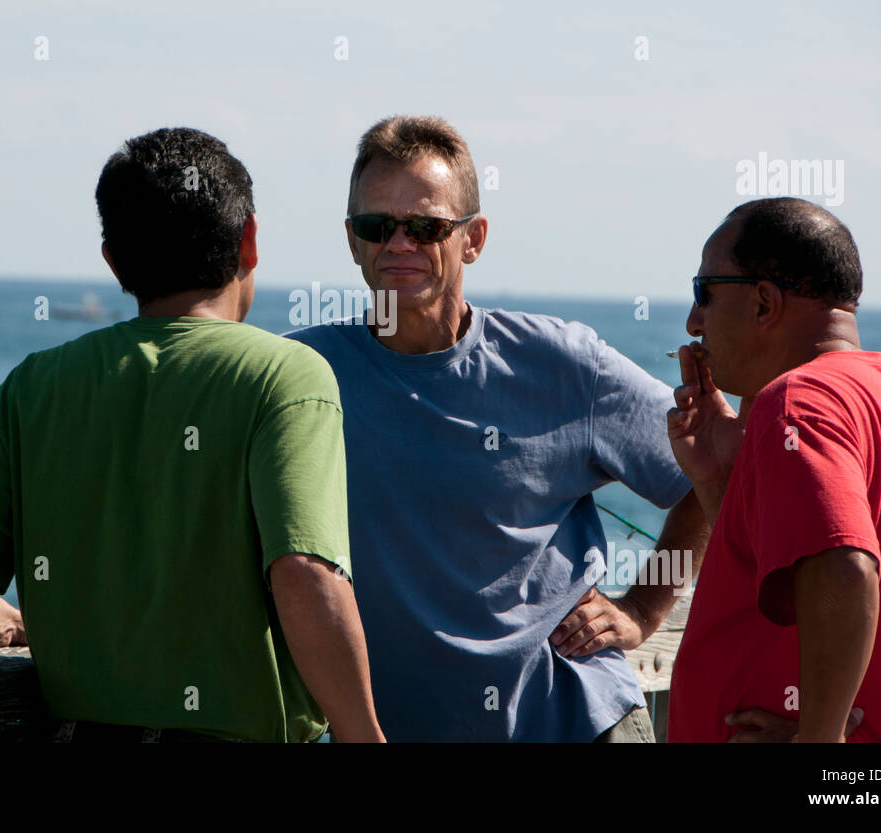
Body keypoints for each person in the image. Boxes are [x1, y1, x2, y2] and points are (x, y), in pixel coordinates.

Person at [0, 127, 384, 743]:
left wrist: (5, 624)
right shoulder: (285, 373)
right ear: (248, 239)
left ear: (114, 263)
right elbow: (307, 573)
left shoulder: (35, 387)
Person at [288, 115, 709, 742]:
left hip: (578, 722)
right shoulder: (300, 376)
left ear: (472, 238)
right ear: (352, 241)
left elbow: (711, 473)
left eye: (426, 227)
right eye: (377, 227)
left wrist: (641, 610)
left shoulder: (564, 362)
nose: (398, 244)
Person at [665, 197, 881, 742]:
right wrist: (719, 481)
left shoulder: (799, 401)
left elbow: (847, 569)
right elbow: (811, 581)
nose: (693, 321)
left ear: (763, 302)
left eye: (703, 292)